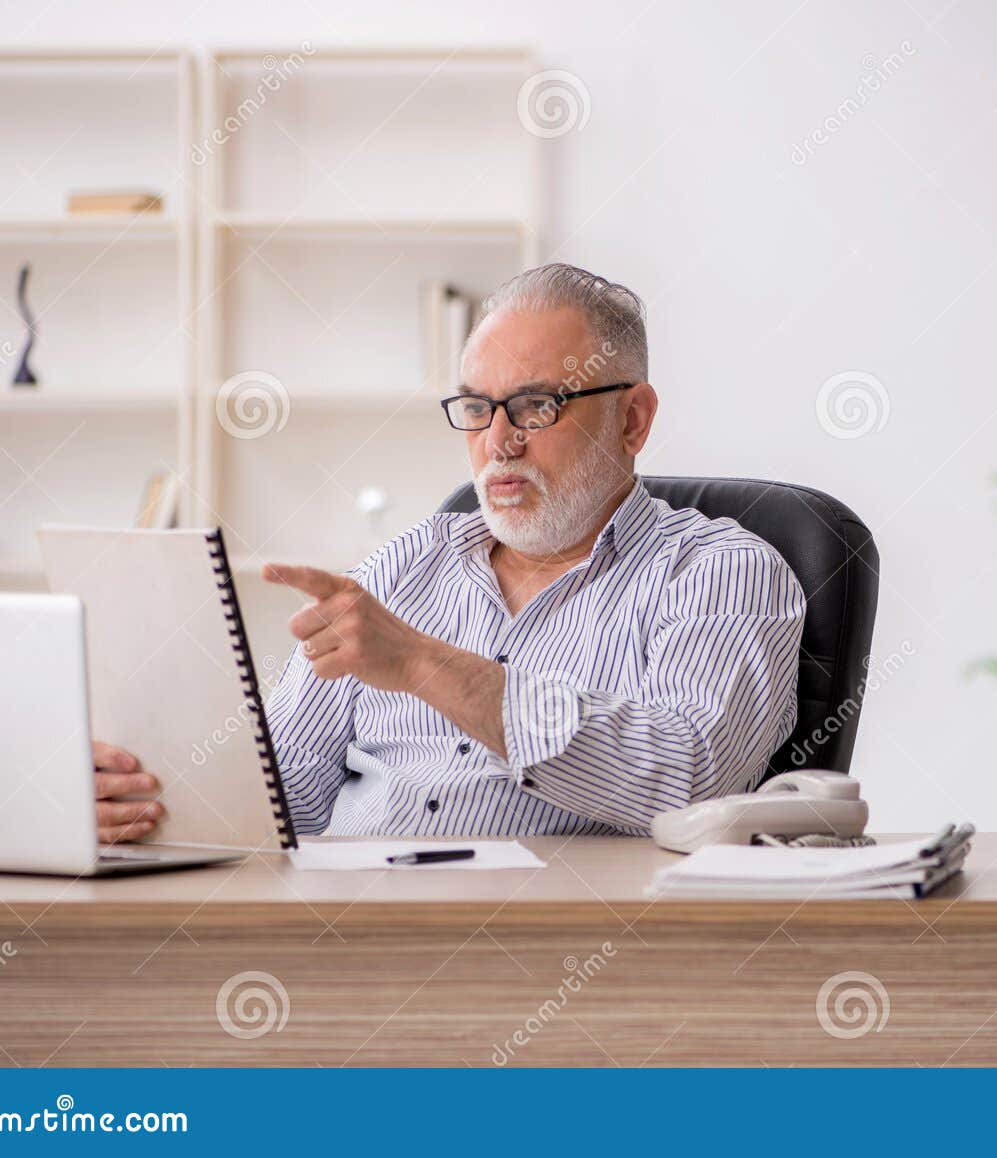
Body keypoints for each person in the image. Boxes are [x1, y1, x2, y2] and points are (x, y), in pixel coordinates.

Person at [91, 263, 806, 841]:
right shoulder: (402, 569)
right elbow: (281, 800)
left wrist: (427, 667)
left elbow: (692, 780)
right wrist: (142, 797)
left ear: (633, 418)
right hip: (339, 935)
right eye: (476, 408)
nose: (499, 443)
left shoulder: (723, 572)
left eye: (537, 406)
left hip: (566, 959)